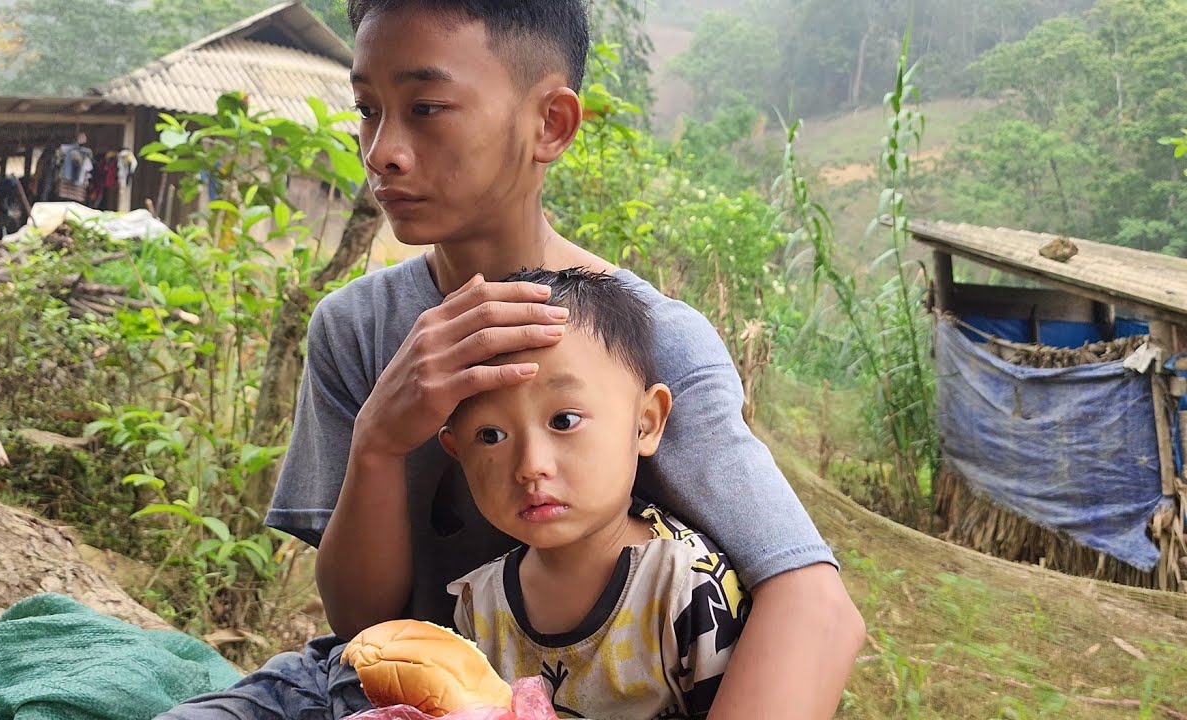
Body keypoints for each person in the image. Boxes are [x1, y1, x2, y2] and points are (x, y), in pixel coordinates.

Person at [160, 1, 865, 718]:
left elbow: (814, 604)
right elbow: (360, 628)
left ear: (550, 124)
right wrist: (377, 441)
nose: (382, 151)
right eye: (368, 110)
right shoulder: (359, 326)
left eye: (427, 107)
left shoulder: (644, 341)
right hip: (372, 689)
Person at [441, 267, 749, 720]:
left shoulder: (683, 586)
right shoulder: (479, 604)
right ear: (457, 452)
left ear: (645, 422)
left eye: (564, 421)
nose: (531, 466)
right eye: (490, 435)